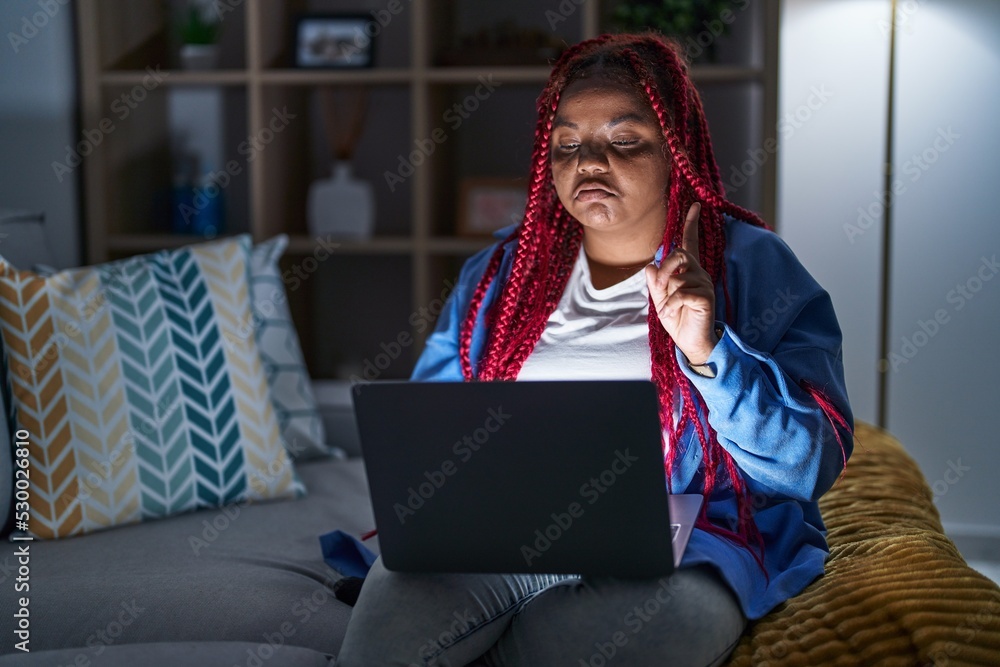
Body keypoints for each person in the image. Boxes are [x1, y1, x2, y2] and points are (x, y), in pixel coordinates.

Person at [336, 32, 853, 667]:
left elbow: (805, 468)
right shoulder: (501, 274)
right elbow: (428, 437)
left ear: (675, 151)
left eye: (625, 140)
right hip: (498, 531)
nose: (589, 163)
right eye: (568, 144)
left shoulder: (751, 266)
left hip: (686, 539)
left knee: (653, 632)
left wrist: (707, 348)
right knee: (388, 628)